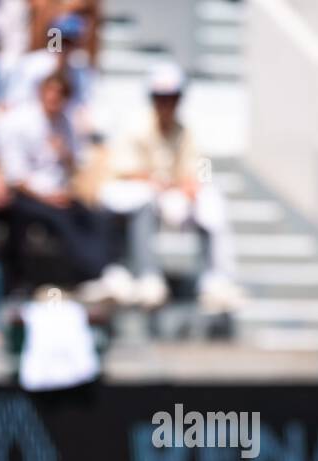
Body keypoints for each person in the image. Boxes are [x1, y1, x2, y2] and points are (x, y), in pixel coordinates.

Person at [102, 62, 241, 313]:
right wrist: (160, 184)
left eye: (172, 98)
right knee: (143, 199)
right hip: (138, 198)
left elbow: (198, 169)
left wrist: (191, 185)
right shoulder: (135, 126)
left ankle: (215, 281)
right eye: (161, 98)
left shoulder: (184, 131)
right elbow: (125, 171)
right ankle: (148, 277)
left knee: (211, 200)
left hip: (170, 196)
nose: (166, 105)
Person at [0, 70, 118, 296]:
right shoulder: (20, 122)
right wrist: (47, 197)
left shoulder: (67, 124)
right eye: (51, 92)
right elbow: (15, 176)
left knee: (96, 217)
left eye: (60, 94)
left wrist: (64, 154)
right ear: (41, 93)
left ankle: (101, 271)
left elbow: (75, 167)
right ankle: (86, 273)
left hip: (59, 193)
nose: (54, 98)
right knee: (60, 220)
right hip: (28, 197)